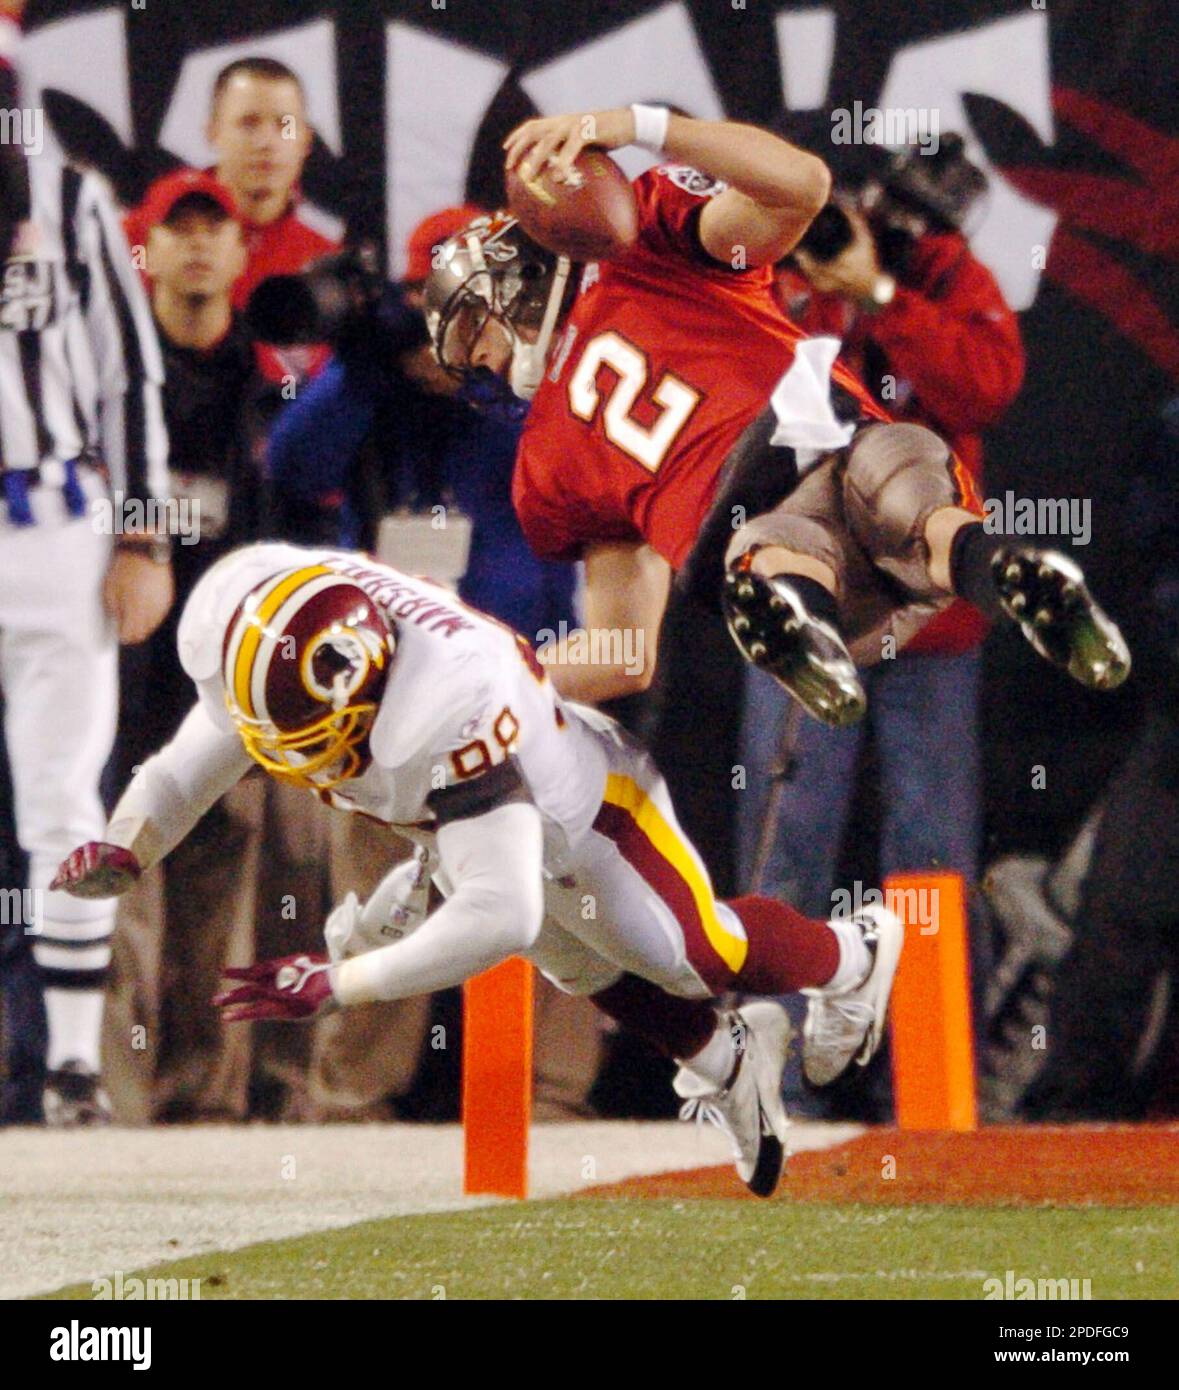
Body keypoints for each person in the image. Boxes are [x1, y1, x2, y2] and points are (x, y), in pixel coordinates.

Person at [53, 541, 905, 1196]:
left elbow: (500, 915)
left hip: (585, 809)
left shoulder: (451, 701)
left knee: (690, 954)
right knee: (575, 961)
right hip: (461, 822)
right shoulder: (275, 634)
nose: (299, 770)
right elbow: (188, 765)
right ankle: (726, 1058)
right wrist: (129, 847)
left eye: (313, 748)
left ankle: (855, 952)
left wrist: (338, 983)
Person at [424, 108, 1128, 741]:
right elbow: (624, 656)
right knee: (880, 492)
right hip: (819, 454)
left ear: (510, 279)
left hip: (787, 510)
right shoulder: (546, 456)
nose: (478, 365)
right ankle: (962, 569)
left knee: (810, 524)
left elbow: (798, 185)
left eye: (469, 338)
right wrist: (497, 686)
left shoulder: (643, 251)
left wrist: (640, 123)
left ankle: (945, 582)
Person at [738, 137, 1025, 920]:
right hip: (813, 600)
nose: (899, 226)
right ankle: (769, 1040)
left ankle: (939, 1045)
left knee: (932, 855)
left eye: (922, 220)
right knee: (783, 845)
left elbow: (984, 388)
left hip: (928, 619)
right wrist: (822, 286)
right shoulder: (808, 261)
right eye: (892, 207)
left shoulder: (957, 282)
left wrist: (885, 297)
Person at [101, 168, 275, 1124]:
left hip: (232, 698)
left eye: (217, 229)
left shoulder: (273, 390)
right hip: (122, 691)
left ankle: (207, 1114)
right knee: (118, 915)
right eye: (180, 229)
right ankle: (110, 1111)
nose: (200, 244)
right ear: (146, 249)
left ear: (246, 251)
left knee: (219, 923)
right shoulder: (110, 387)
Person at [0, 150, 170, 1124]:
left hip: (50, 522)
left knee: (63, 803)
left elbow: (128, 374)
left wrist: (142, 534)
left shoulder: (66, 196)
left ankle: (70, 1068)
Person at [124, 56, 339, 390]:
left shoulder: (325, 263)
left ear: (306, 141)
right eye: (249, 123)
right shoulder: (138, 236)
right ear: (212, 132)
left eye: (285, 126)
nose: (266, 142)